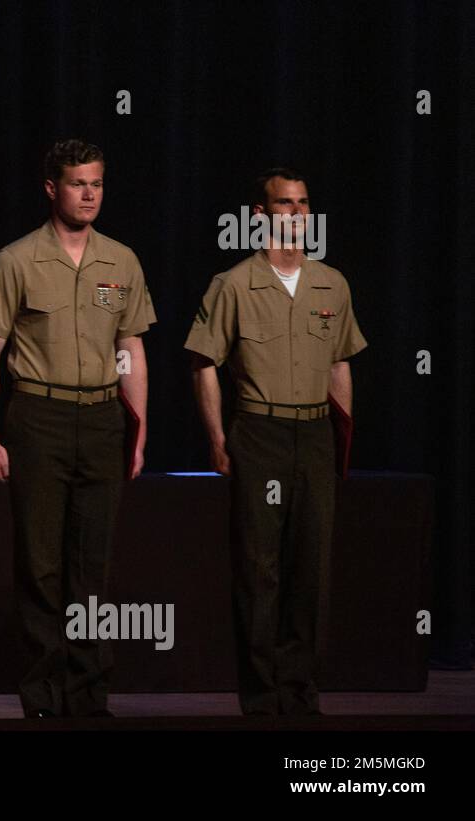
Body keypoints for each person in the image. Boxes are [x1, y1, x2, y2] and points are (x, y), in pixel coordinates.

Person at [0, 138, 155, 718]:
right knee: (41, 563)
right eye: (78, 183)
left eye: (97, 183)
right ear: (53, 188)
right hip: (38, 417)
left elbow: (132, 349)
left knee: (91, 564)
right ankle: (43, 694)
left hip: (103, 419)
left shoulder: (122, 260)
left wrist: (140, 430)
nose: (89, 194)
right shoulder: (16, 260)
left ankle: (88, 691)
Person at [185, 167, 366, 716]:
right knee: (259, 569)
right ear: (259, 215)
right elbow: (203, 363)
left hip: (312, 434)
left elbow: (339, 363)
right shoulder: (233, 283)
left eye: (304, 204)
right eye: (284, 204)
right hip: (258, 432)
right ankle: (262, 697)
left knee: (311, 568)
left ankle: (301, 692)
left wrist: (342, 438)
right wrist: (218, 438)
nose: (296, 213)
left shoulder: (332, 283)